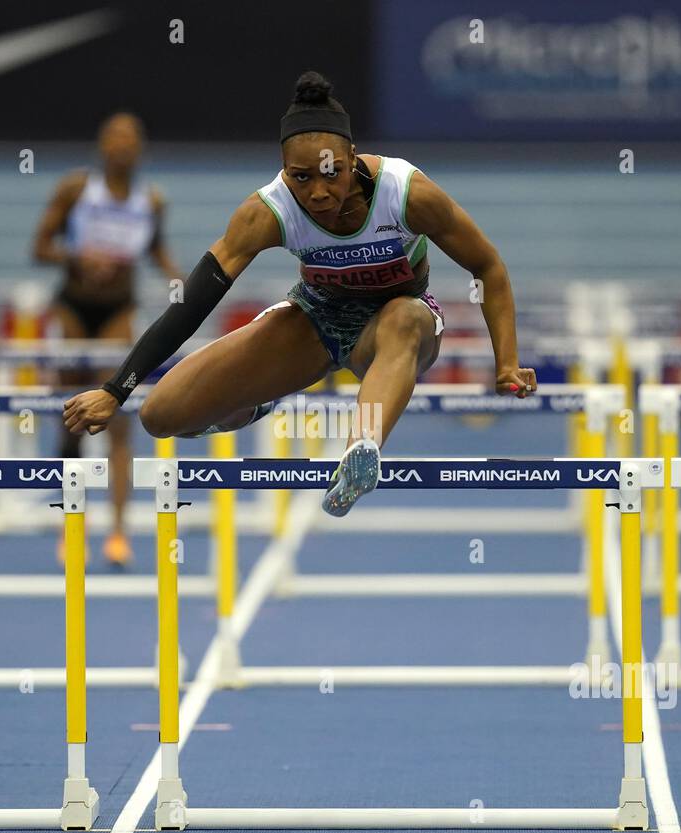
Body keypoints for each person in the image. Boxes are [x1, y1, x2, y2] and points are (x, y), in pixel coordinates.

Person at [62, 72, 537, 517]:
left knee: (404, 318)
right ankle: (264, 398)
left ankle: (359, 451)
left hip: (397, 328)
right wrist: (115, 388)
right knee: (162, 416)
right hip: (316, 320)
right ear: (284, 170)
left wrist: (507, 362)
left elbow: (488, 266)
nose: (317, 193)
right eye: (300, 177)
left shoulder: (406, 193)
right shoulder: (267, 211)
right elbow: (193, 300)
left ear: (352, 158)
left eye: (331, 174)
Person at [33, 112, 183, 565]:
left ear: (140, 149)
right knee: (71, 419)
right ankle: (69, 525)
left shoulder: (151, 201)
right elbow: (39, 248)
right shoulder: (76, 190)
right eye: (113, 138)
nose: (121, 146)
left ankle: (118, 532)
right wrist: (79, 258)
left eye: (129, 139)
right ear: (102, 146)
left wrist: (182, 280)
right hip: (73, 308)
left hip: (120, 310)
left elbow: (155, 249)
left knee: (116, 415)